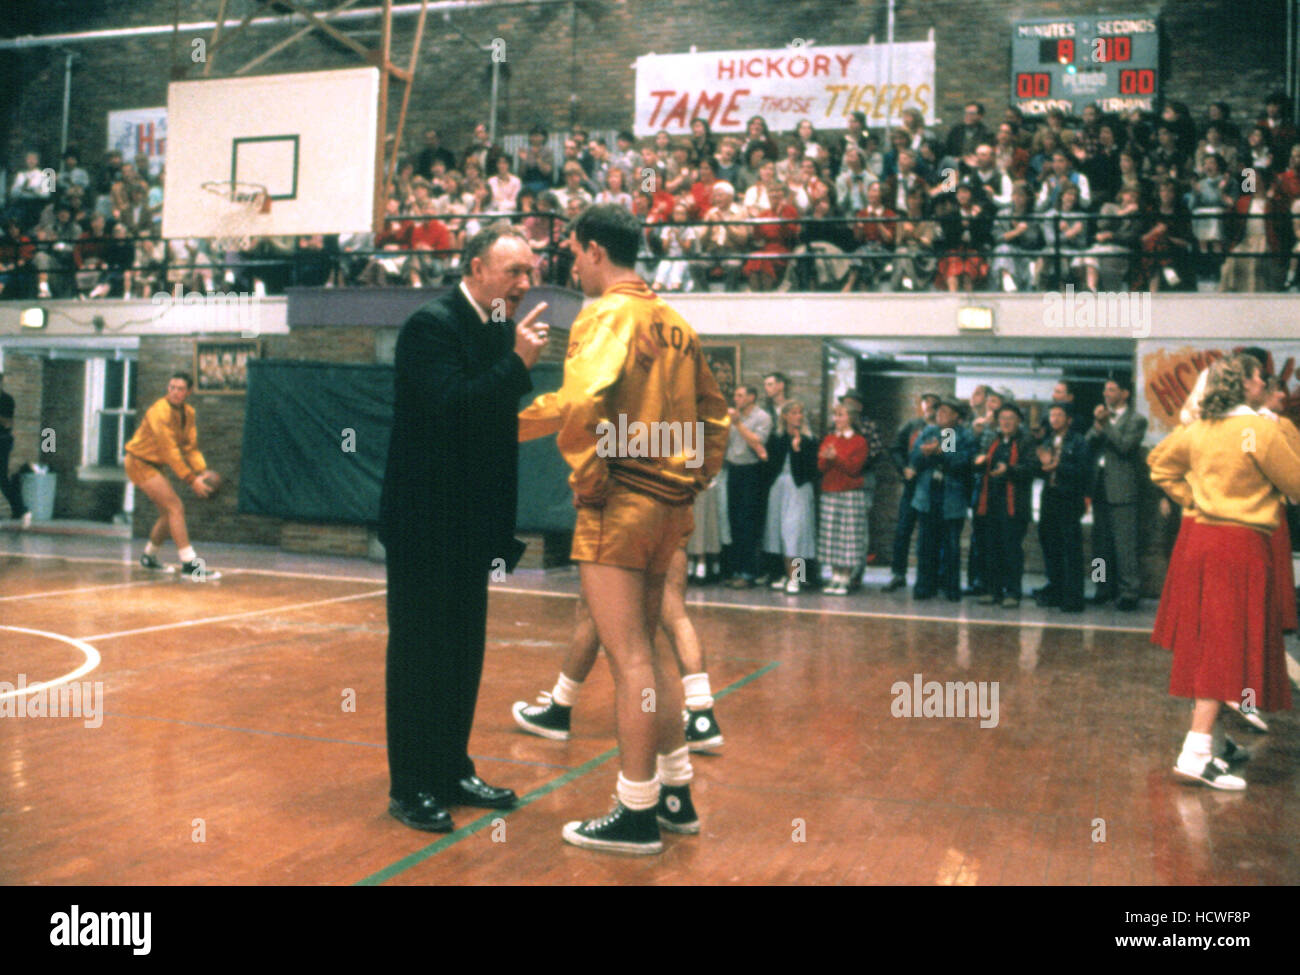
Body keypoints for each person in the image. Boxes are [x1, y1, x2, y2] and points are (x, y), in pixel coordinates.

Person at [517, 204, 729, 854]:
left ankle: (634, 809)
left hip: (621, 501)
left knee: (630, 656)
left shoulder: (607, 312)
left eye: (574, 254)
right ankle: (674, 791)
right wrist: (690, 480)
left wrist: (587, 475)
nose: (572, 266)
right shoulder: (676, 323)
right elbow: (714, 419)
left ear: (594, 250)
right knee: (652, 651)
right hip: (670, 505)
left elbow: (582, 402)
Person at [378, 224, 550, 833]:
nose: (526, 284)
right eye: (516, 273)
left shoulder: (499, 328)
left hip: (472, 526)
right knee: (420, 654)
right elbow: (453, 406)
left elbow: (492, 430)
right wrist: (521, 365)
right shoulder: (431, 325)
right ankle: (411, 786)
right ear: (477, 268)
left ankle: (451, 768)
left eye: (530, 272)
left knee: (463, 653)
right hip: (425, 523)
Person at [1148, 356, 1300, 789]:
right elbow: (1297, 485)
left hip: (1202, 543)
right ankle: (1196, 752)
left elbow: (1159, 464)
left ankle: (1207, 746)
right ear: (1247, 385)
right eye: (1259, 377)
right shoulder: (1260, 430)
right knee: (1227, 647)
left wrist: (1194, 499)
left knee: (1207, 643)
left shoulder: (1198, 429)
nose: (1264, 383)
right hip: (1241, 546)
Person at [511, 546, 725, 752]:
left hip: (620, 526)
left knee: (594, 614)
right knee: (674, 616)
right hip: (668, 520)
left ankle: (560, 709)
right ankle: (701, 715)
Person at [125, 373, 221, 579]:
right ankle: (189, 564)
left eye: (180, 388)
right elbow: (170, 450)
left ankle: (149, 557)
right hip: (138, 462)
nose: (175, 392)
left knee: (168, 513)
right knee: (175, 507)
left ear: (188, 392)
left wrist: (201, 471)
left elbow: (190, 447)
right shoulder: (159, 411)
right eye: (172, 387)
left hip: (155, 464)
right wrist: (191, 479)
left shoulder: (188, 413)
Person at [1086, 377, 1148, 610]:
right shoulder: (1102, 419)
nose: (1106, 393)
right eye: (1105, 389)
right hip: (1099, 488)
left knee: (1125, 545)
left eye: (1112, 389)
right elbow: (1087, 443)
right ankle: (1101, 587)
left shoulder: (1137, 420)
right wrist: (1097, 426)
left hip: (1122, 491)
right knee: (1099, 545)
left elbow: (1125, 446)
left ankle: (1129, 592)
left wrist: (1107, 425)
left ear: (1125, 394)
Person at [909, 398, 975, 602]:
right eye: (938, 412)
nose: (940, 415)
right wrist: (924, 454)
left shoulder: (963, 435)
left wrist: (939, 453)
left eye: (946, 411)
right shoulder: (928, 432)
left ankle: (950, 586)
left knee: (951, 545)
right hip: (928, 495)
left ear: (957, 415)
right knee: (926, 544)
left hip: (951, 496)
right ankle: (925, 585)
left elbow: (958, 462)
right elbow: (914, 459)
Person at [972, 403, 1034, 607]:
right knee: (990, 548)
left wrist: (1009, 470)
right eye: (1003, 418)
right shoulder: (989, 439)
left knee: (1011, 549)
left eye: (1011, 418)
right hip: (988, 503)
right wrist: (979, 462)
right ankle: (991, 588)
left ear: (1018, 421)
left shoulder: (1026, 441)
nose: (1006, 422)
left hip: (1013, 506)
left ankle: (1012, 591)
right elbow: (967, 462)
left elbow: (1032, 469)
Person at [1033, 403, 1089, 612]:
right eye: (1051, 415)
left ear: (1069, 419)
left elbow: (1084, 470)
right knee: (1050, 545)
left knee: (1071, 548)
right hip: (1049, 497)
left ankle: (1073, 596)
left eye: (1059, 415)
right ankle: (1055, 590)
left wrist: (1058, 466)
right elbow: (1040, 470)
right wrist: (1041, 466)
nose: (1054, 419)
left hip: (1069, 499)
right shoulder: (1046, 441)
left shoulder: (1079, 441)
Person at [882, 393, 939, 591]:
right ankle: (898, 573)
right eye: (926, 406)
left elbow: (951, 457)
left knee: (929, 534)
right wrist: (903, 468)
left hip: (934, 488)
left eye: (934, 406)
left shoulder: (947, 431)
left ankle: (930, 577)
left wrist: (937, 454)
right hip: (912, 484)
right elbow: (895, 448)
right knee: (903, 529)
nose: (929, 409)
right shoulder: (912, 426)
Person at [762, 400, 819, 594]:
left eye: (800, 412)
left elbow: (811, 470)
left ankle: (797, 577)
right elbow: (769, 465)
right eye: (794, 413)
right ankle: (788, 575)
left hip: (799, 488)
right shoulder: (776, 438)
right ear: (785, 416)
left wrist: (797, 450)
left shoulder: (810, 440)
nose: (798, 416)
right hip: (779, 488)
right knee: (778, 532)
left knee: (796, 532)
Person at [818, 399, 870, 596]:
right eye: (835, 415)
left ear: (851, 418)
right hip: (830, 491)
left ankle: (846, 577)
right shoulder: (829, 438)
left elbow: (854, 469)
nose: (836, 419)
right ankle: (835, 575)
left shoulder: (859, 441)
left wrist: (836, 458)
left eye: (841, 415)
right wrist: (827, 458)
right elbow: (821, 466)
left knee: (847, 536)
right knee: (831, 536)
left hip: (850, 493)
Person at [723, 384, 771, 588]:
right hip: (733, 470)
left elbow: (757, 442)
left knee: (747, 522)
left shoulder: (762, 418)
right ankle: (736, 569)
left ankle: (749, 572)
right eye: (735, 395)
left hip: (752, 472)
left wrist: (739, 424)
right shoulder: (733, 416)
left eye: (740, 395)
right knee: (733, 521)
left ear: (752, 397)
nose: (736, 399)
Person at [0, 372, 30, 526]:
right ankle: (19, 509)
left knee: (2, 478)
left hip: (2, 441)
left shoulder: (6, 400)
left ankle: (20, 508)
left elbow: (8, 423)